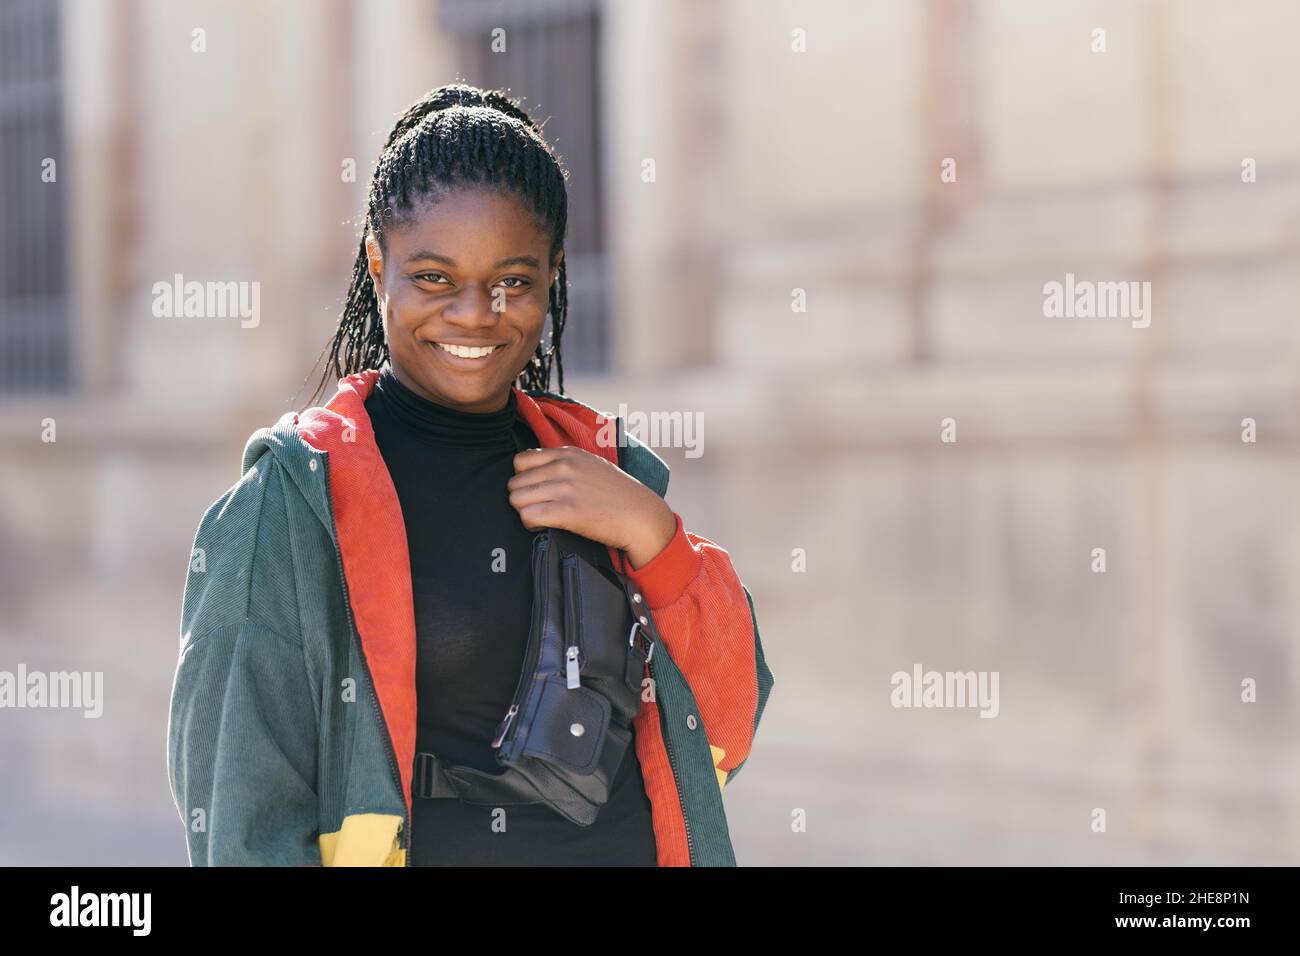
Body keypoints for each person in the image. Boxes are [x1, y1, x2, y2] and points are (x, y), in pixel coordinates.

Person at [166, 83, 773, 866]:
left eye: (513, 281)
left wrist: (655, 539)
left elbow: (725, 722)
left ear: (553, 274)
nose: (477, 314)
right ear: (379, 263)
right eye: (435, 278)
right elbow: (242, 827)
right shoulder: (291, 504)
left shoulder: (599, 470)